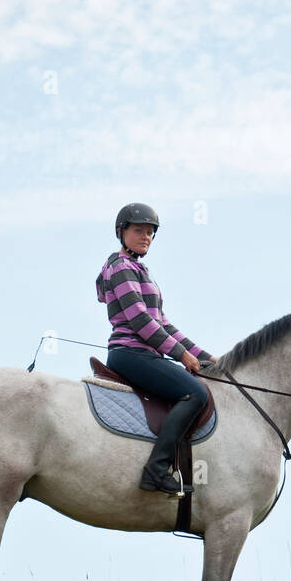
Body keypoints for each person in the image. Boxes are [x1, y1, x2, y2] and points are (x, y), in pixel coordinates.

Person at [96, 203, 215, 494]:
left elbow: (164, 324)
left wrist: (206, 357)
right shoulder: (121, 267)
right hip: (130, 353)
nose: (146, 236)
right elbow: (140, 321)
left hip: (146, 352)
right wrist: (180, 355)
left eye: (150, 232)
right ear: (121, 232)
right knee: (195, 393)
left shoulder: (141, 270)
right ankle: (156, 469)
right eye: (139, 230)